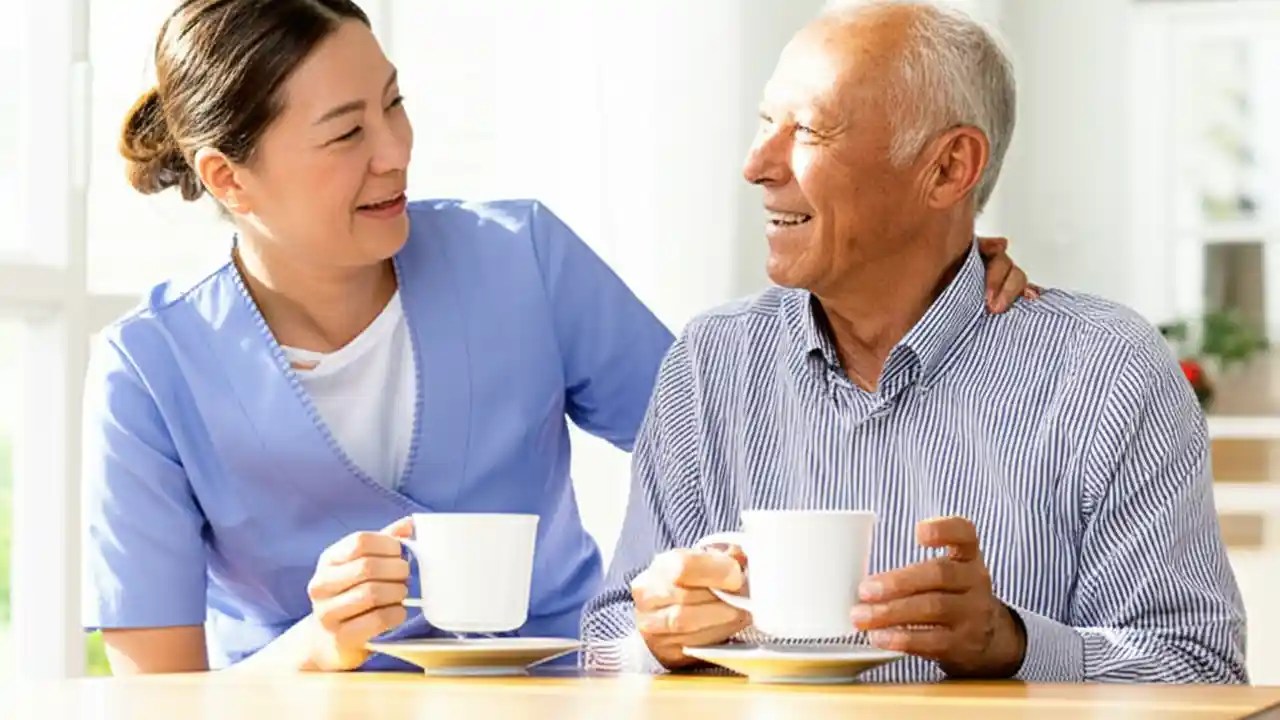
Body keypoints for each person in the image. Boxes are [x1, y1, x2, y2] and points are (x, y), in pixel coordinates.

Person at [81, 0, 1033, 674]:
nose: (397, 149)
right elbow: (161, 699)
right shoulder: (148, 370)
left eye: (394, 102)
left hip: (564, 700)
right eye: (345, 133)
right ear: (230, 178)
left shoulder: (518, 258)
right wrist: (312, 649)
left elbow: (745, 423)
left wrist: (925, 267)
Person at [581, 0, 1247, 684]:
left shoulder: (1106, 371)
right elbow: (602, 652)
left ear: (950, 167)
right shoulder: (710, 364)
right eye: (764, 124)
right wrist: (654, 642)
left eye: (808, 128)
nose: (756, 165)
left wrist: (1013, 646)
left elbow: (1200, 674)